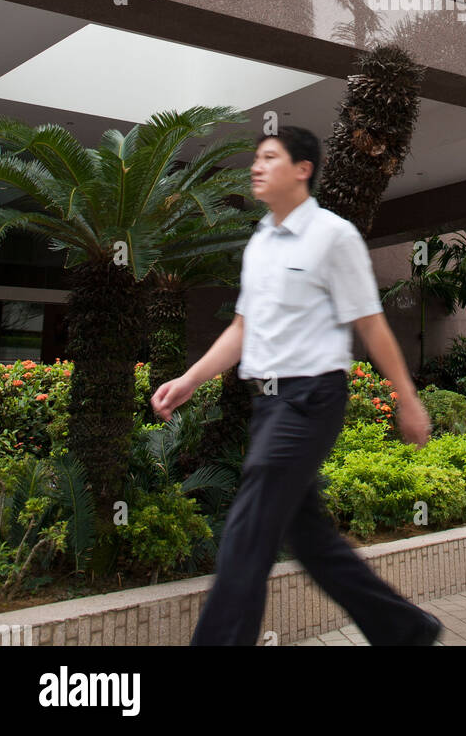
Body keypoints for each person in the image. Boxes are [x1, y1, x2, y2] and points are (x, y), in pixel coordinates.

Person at [151, 126, 441, 646]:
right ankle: (406, 631)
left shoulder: (334, 235)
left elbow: (371, 323)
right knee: (307, 538)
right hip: (268, 406)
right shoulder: (260, 241)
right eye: (255, 159)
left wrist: (408, 398)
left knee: (247, 531)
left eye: (268, 158)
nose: (255, 167)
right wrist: (190, 379)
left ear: (302, 169)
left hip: (310, 398)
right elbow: (243, 328)